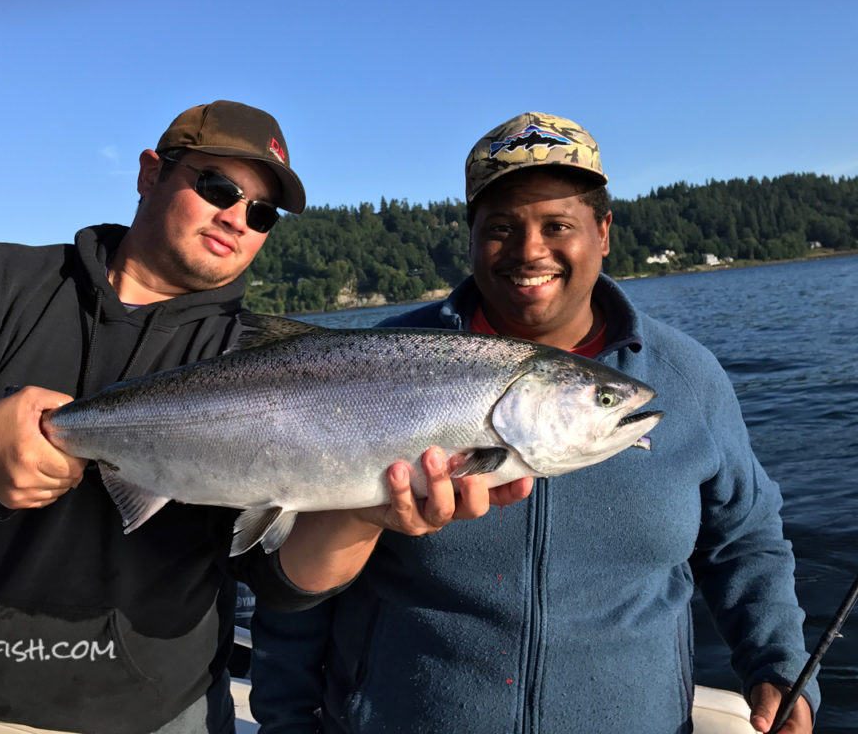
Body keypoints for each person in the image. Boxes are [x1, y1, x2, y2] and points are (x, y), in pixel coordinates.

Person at [0, 100, 529, 734]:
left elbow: (283, 584)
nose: (237, 217)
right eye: (219, 188)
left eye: (261, 214)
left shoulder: (264, 354)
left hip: (165, 715)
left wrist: (367, 510)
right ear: (149, 173)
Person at [249, 112, 818, 734]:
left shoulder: (686, 377)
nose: (529, 251)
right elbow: (296, 585)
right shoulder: (372, 367)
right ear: (469, 238)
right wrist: (285, 720)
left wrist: (779, 666)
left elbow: (744, 540)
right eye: (500, 227)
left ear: (602, 232)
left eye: (557, 225)